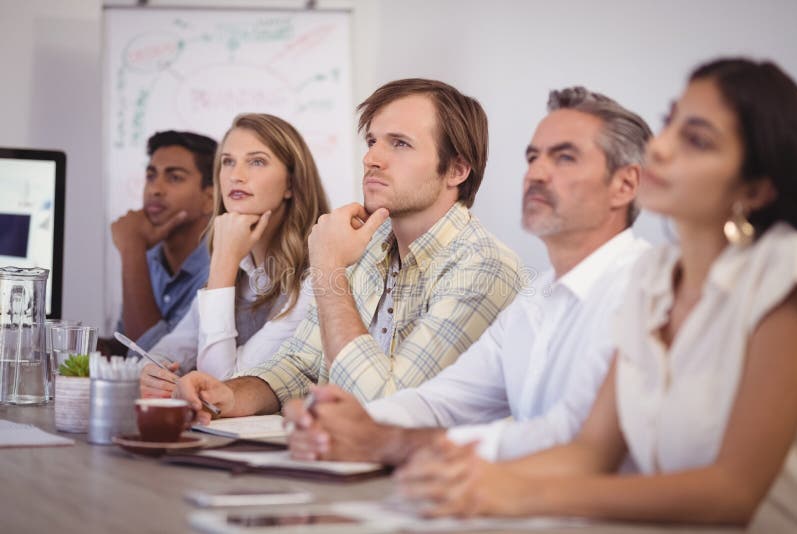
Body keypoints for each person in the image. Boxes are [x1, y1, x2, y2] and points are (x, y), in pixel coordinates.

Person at [396, 58, 797, 528]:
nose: (661, 149)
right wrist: (465, 477)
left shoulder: (782, 273)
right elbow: (590, 451)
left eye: (697, 139)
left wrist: (520, 492)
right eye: (670, 123)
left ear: (755, 189)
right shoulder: (653, 276)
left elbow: (731, 493)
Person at [283, 87, 653, 464]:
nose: (536, 173)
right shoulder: (537, 299)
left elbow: (568, 435)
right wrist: (335, 423)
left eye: (565, 157)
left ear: (625, 185)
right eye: (533, 157)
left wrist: (386, 439)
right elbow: (440, 402)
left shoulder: (645, 290)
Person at [175, 79, 522, 423]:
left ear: (457, 170)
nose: (371, 158)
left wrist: (329, 269)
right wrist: (230, 395)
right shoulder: (369, 247)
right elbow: (299, 367)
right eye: (372, 141)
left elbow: (389, 409)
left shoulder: (484, 267)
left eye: (399, 143)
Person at [139, 113, 330, 395]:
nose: (235, 176)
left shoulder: (314, 278)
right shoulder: (241, 265)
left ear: (290, 184)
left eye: (256, 161)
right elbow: (162, 354)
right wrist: (151, 375)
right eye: (228, 161)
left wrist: (223, 263)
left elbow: (224, 385)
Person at [109, 130, 217, 352]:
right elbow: (127, 343)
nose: (155, 189)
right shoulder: (150, 256)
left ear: (210, 198)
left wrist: (132, 248)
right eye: (151, 176)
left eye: (174, 177)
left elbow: (157, 361)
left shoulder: (220, 269)